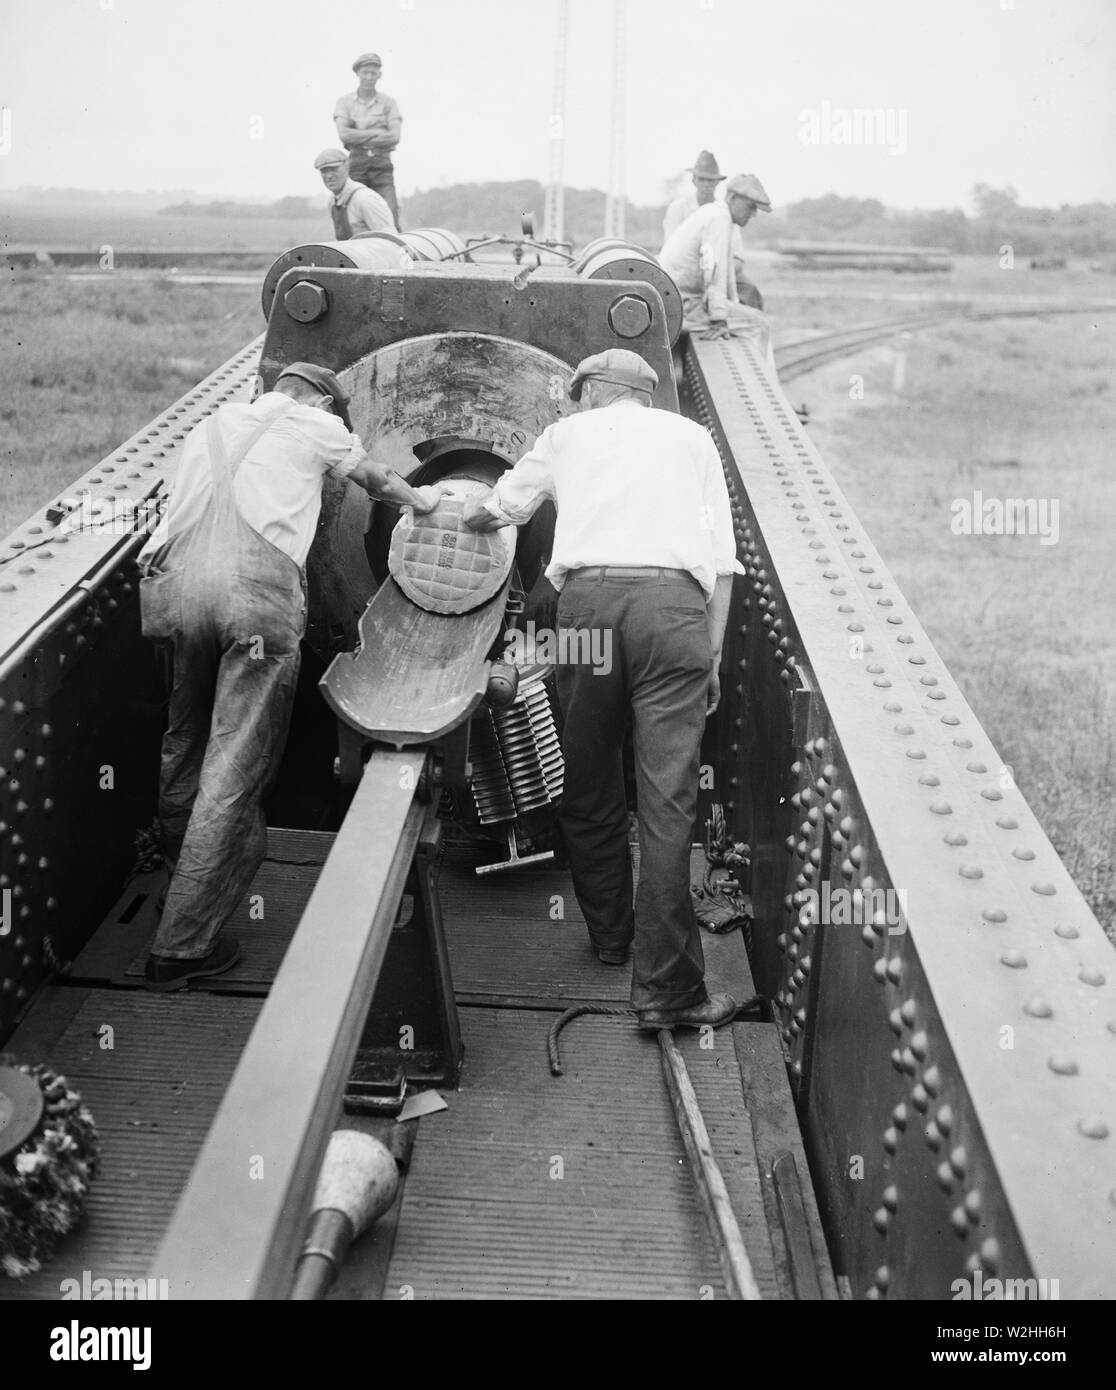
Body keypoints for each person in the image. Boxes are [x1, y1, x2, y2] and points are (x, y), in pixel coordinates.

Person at [462, 349, 744, 1033]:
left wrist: (447, 514)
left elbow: (498, 509)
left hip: (585, 613)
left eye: (575, 394)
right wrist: (709, 657)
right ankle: (668, 992)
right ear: (643, 396)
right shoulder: (693, 439)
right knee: (667, 800)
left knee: (588, 776)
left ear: (592, 391)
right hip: (674, 615)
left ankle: (611, 938)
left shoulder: (566, 437)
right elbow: (726, 562)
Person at [137, 363, 444, 990]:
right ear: (324, 403)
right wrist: (428, 502)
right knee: (235, 761)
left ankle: (179, 887)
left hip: (177, 594)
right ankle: (182, 946)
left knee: (184, 743)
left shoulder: (211, 426)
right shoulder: (314, 425)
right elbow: (378, 478)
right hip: (251, 604)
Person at [659, 172, 773, 352]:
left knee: (750, 318)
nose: (754, 214)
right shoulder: (718, 219)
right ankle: (762, 379)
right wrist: (719, 320)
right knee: (760, 325)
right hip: (682, 305)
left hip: (675, 299)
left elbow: (725, 276)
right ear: (733, 198)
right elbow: (713, 272)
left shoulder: (715, 214)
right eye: (750, 207)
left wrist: (730, 308)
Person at [333, 52, 403, 226]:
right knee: (351, 214)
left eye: (373, 73)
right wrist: (378, 133)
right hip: (356, 163)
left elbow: (394, 136)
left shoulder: (389, 102)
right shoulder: (344, 102)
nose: (369, 77)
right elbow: (344, 134)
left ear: (379, 75)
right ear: (357, 73)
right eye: (365, 72)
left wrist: (358, 135)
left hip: (382, 164)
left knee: (390, 213)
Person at [314, 148, 396, 238]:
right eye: (324, 171)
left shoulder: (365, 199)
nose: (329, 176)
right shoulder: (332, 203)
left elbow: (390, 241)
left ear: (346, 167)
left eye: (334, 169)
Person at [661, 149, 725, 241]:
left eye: (710, 180)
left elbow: (735, 248)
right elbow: (670, 243)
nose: (706, 184)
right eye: (702, 179)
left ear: (717, 182)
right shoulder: (678, 209)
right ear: (694, 181)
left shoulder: (723, 211)